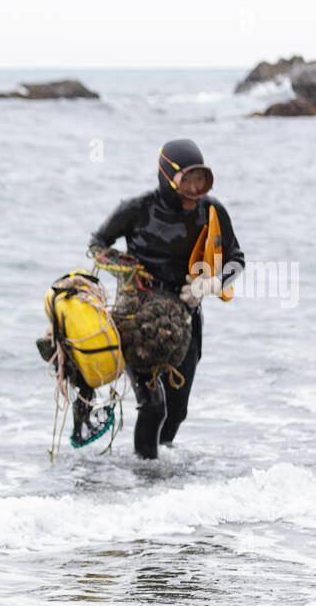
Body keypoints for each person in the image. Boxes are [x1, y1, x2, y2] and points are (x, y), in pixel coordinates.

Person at [88, 138, 244, 459]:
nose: (193, 188)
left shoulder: (212, 210)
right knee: (153, 406)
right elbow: (97, 244)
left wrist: (212, 283)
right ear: (166, 175)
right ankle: (143, 474)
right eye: (186, 179)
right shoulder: (137, 209)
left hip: (186, 315)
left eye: (200, 179)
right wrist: (127, 269)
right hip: (137, 316)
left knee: (176, 411)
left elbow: (236, 259)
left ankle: (159, 478)